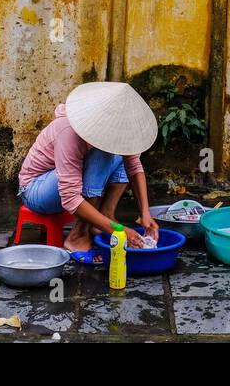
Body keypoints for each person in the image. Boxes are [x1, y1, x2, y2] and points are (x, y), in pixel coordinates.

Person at [18, 81, 160, 262]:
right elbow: (70, 197)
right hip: (36, 191)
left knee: (121, 150)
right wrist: (117, 230)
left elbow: (133, 165)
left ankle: (106, 215)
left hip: (65, 187)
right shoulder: (68, 130)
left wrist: (145, 213)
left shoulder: (116, 131)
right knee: (104, 154)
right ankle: (77, 236)